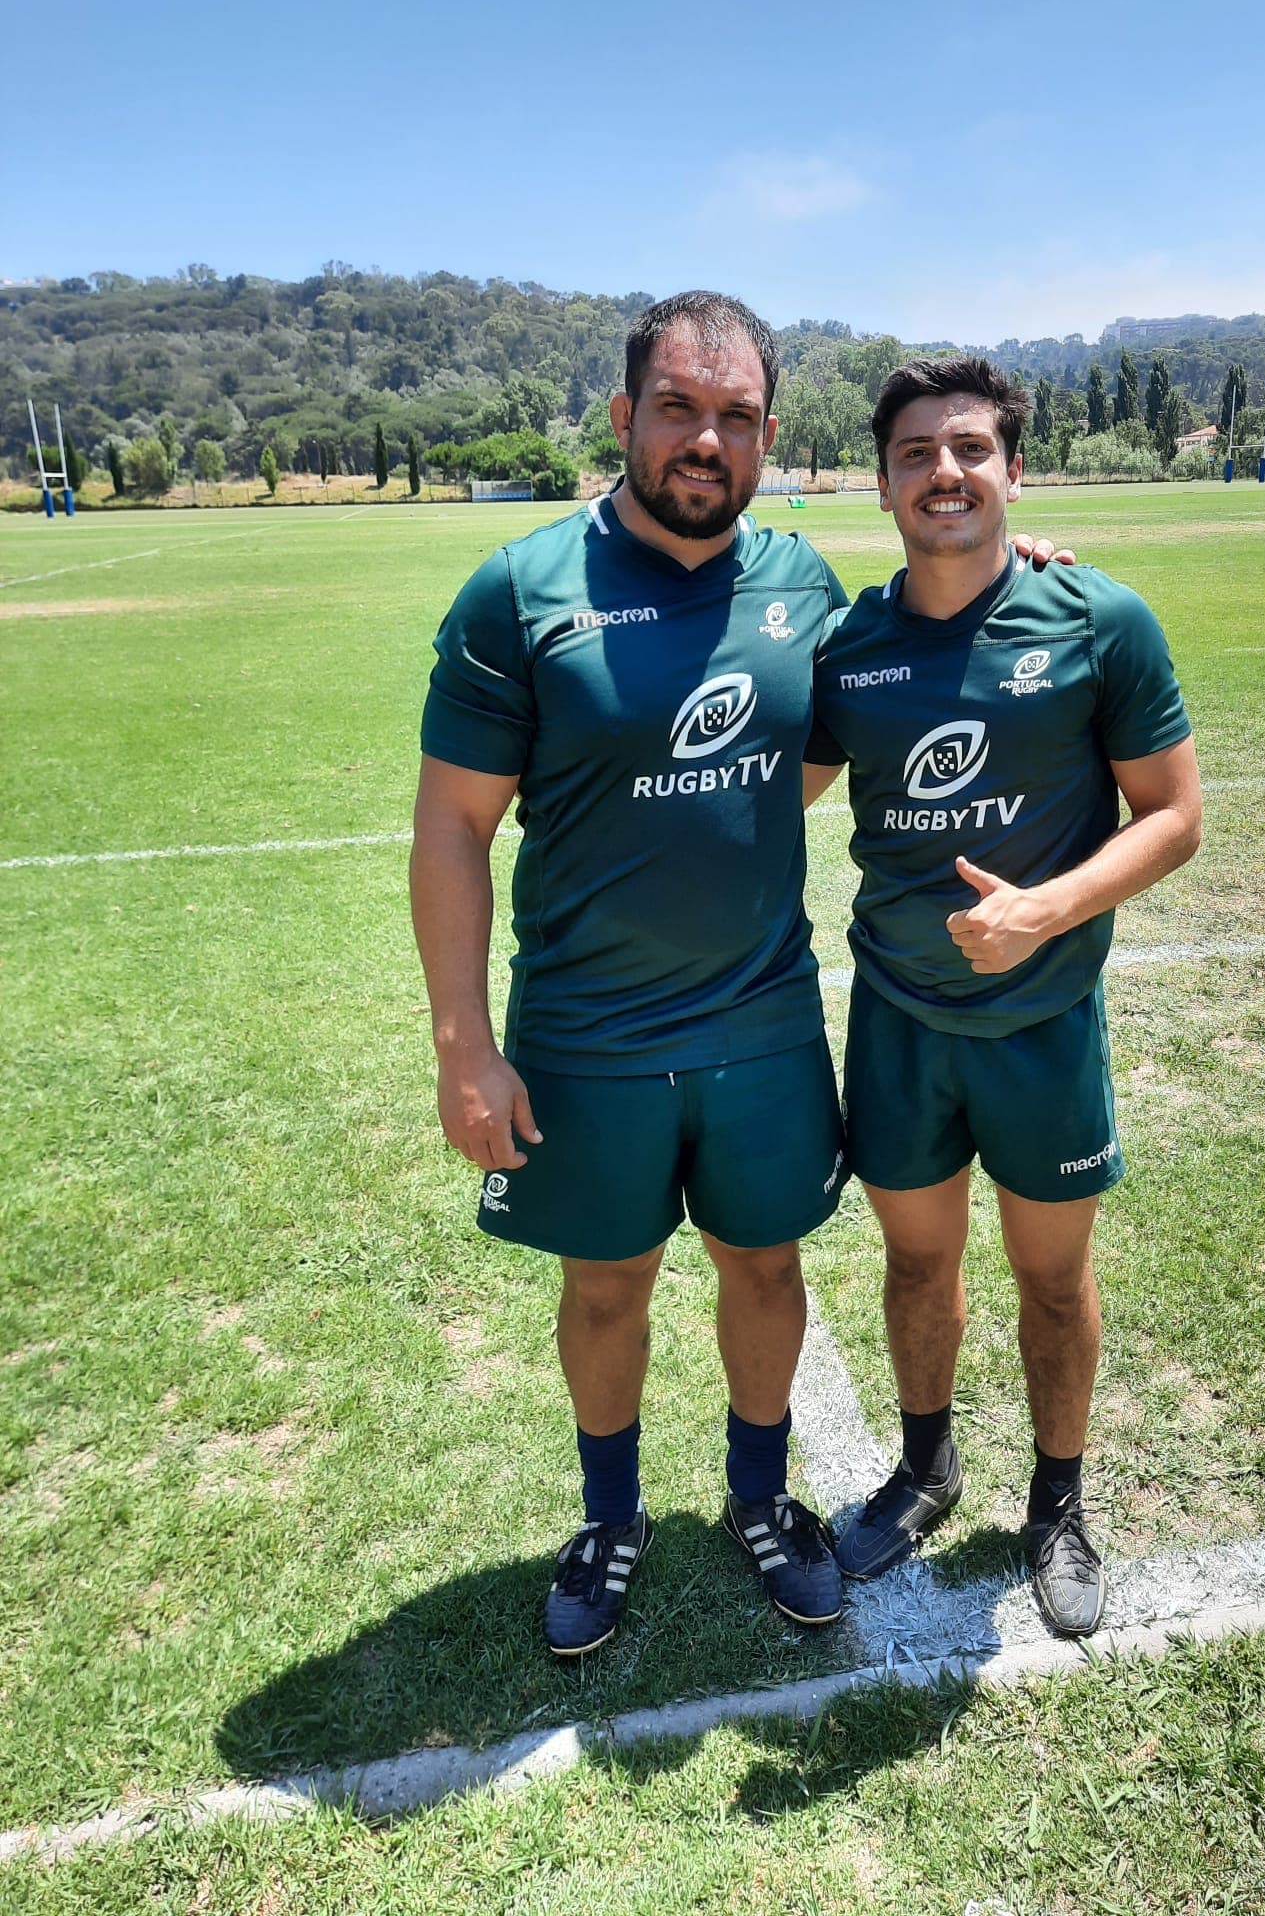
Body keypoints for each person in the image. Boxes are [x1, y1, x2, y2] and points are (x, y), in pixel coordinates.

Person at [410, 292, 856, 1656]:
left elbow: (830, 749)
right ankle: (610, 1518)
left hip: (762, 1021)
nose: (705, 442)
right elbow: (453, 826)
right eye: (679, 411)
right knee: (606, 1284)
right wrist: (462, 1045)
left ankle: (762, 1496)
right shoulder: (522, 590)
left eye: (735, 419)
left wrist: (1032, 568)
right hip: (586, 1034)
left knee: (765, 1266)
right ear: (625, 419)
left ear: (769, 433)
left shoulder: (802, 588)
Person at [804, 354, 1202, 1637]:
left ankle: (1059, 1501)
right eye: (917, 453)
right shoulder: (849, 648)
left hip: (1041, 1028)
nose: (946, 472)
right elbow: (777, 782)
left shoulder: (1097, 619)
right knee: (918, 1260)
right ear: (882, 484)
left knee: (1052, 1275)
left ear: (1014, 470)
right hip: (903, 1019)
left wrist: (1047, 907)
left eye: (970, 448)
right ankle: (926, 1469)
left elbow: (1176, 816)